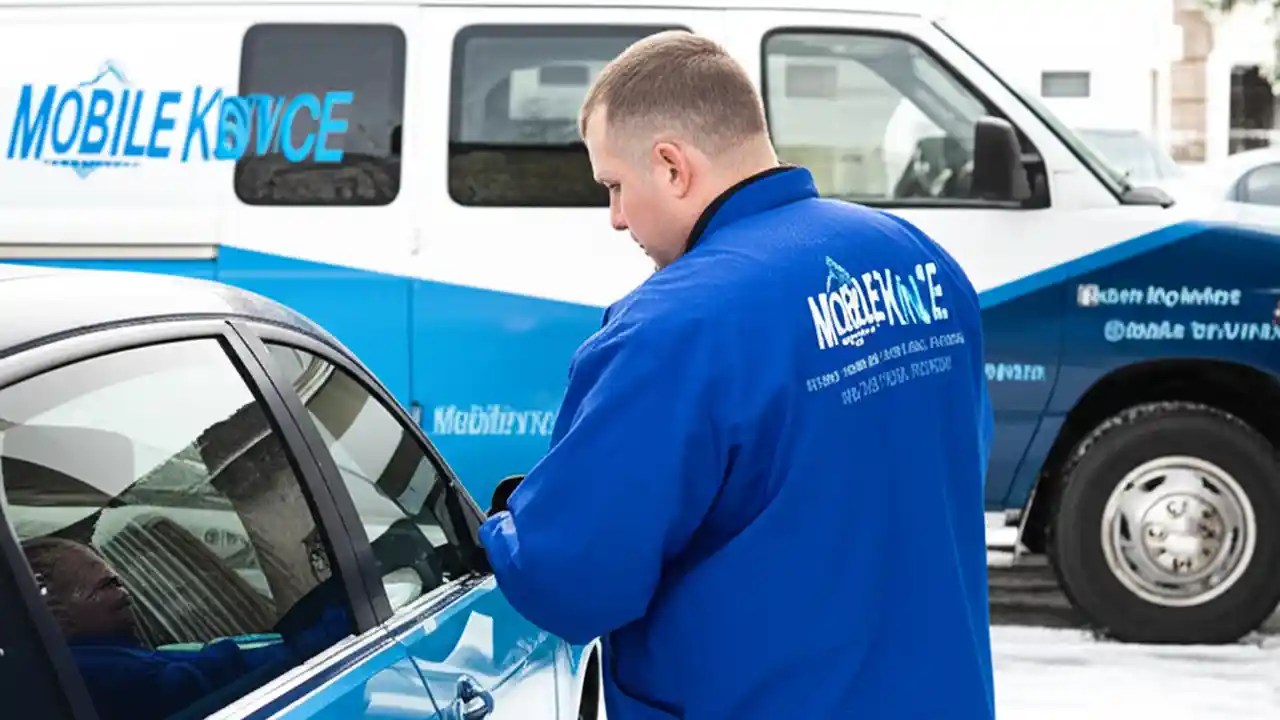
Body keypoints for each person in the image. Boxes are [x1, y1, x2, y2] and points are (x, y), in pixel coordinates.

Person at [478, 30, 995, 720]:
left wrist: (506, 527)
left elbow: (573, 579)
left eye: (614, 185)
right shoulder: (918, 260)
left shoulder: (670, 329)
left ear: (670, 165)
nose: (616, 217)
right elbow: (955, 460)